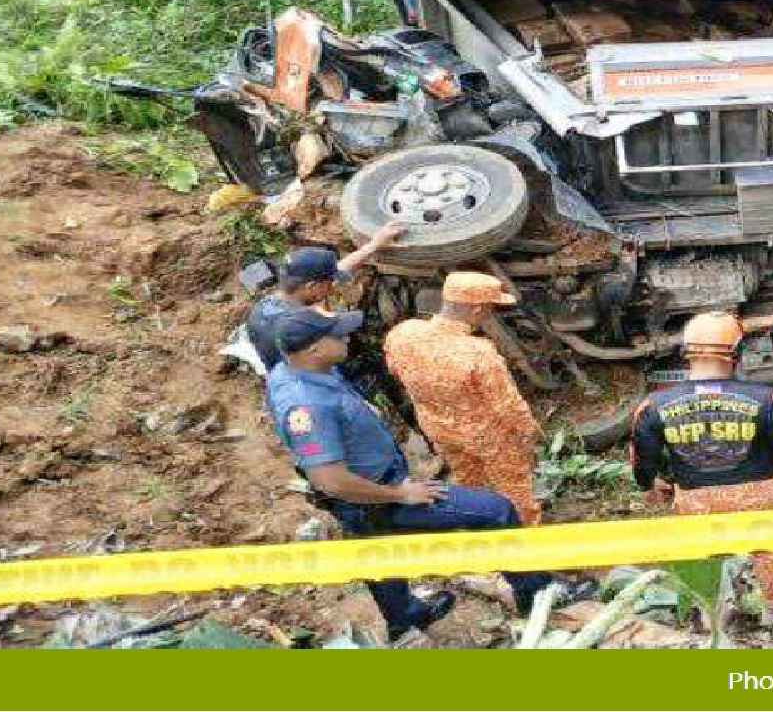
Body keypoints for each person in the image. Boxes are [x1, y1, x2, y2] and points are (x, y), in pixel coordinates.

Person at [266, 306, 573, 641]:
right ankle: (537, 593)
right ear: (313, 349)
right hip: (375, 497)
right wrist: (400, 494)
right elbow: (329, 480)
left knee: (378, 556)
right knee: (496, 511)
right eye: (337, 334)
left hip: (372, 492)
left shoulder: (300, 370)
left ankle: (405, 619)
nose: (347, 336)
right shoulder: (306, 405)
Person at [629, 311, 773, 616]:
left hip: (696, 499)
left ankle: (708, 613)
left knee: (700, 554)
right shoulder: (765, 399)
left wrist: (647, 484)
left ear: (686, 352)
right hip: (759, 496)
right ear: (736, 352)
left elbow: (643, 457)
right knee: (771, 551)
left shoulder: (654, 406)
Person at [383, 271, 543, 526]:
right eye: (490, 307)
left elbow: (396, 372)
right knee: (515, 490)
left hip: (438, 429)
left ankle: (475, 525)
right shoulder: (478, 352)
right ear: (478, 308)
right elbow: (507, 406)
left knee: (466, 481)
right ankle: (523, 538)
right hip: (489, 437)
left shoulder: (403, 333)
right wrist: (527, 435)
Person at [245, 223, 404, 371]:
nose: (333, 285)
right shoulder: (303, 324)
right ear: (311, 286)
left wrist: (374, 245)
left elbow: (341, 268)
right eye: (329, 282)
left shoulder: (262, 308)